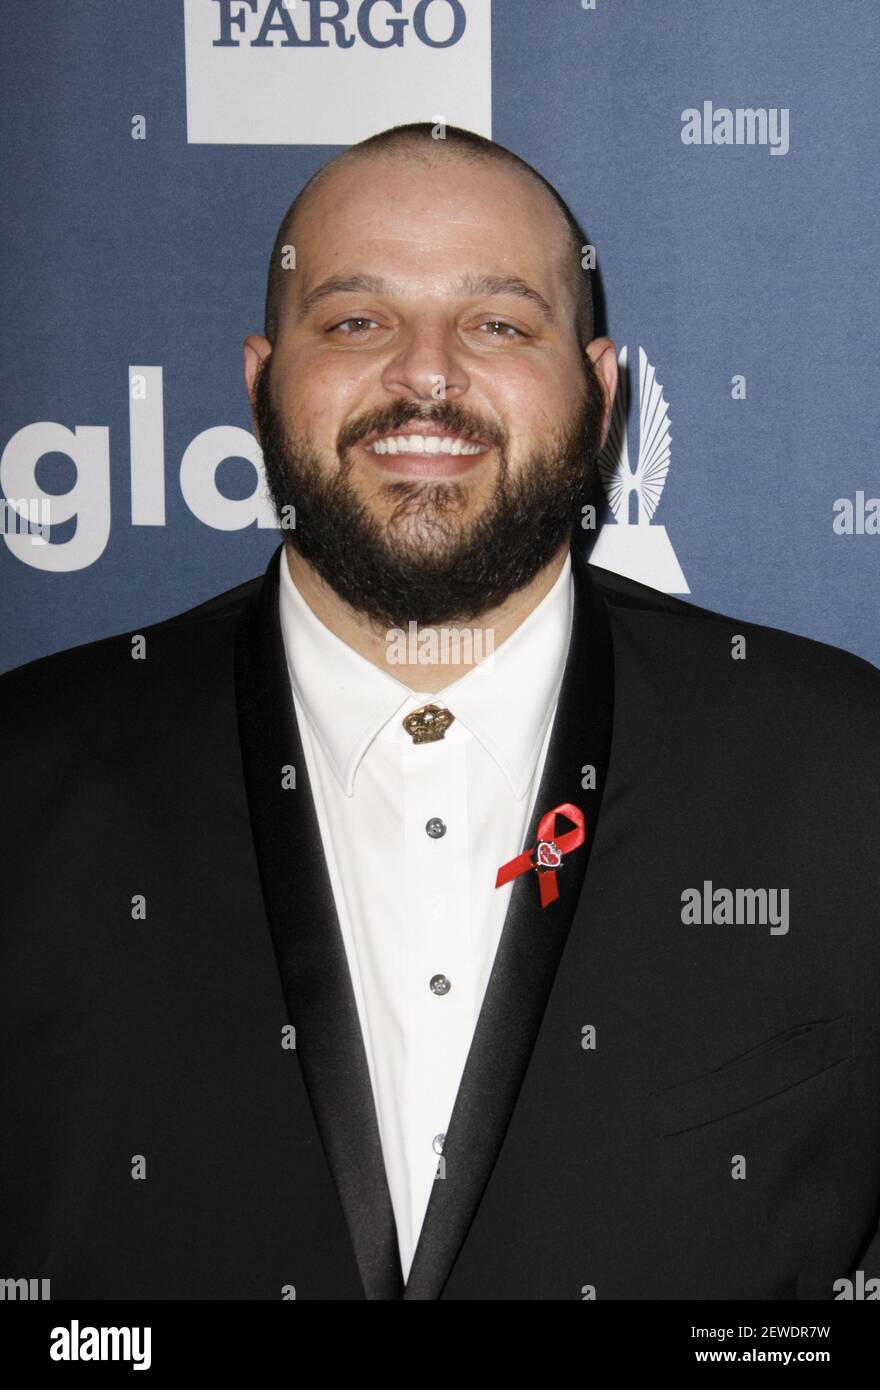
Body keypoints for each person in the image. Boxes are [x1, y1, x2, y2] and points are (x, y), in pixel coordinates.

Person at [1, 123, 878, 1302]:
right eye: (356, 321)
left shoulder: (843, 772)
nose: (425, 375)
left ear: (601, 393)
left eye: (499, 323)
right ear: (261, 382)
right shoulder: (28, 779)